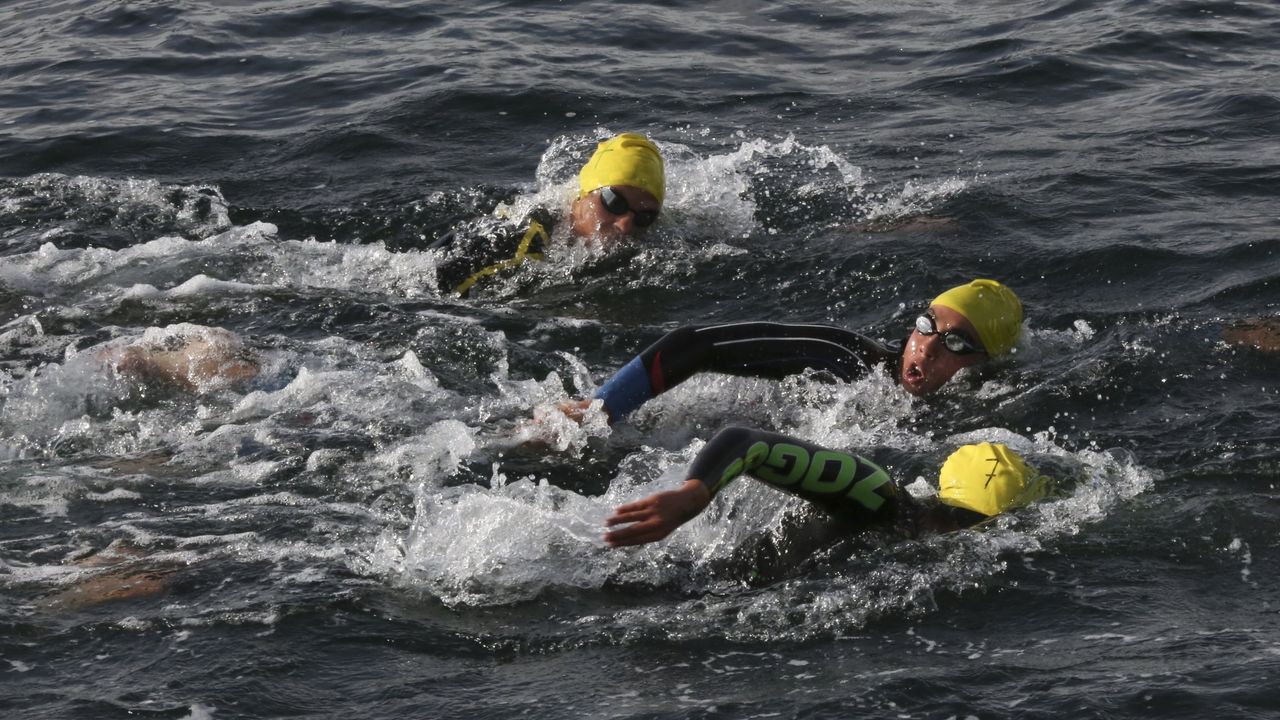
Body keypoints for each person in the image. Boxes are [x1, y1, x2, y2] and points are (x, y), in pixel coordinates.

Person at [562, 278, 1023, 423]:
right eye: (927, 325)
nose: (927, 348)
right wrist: (600, 411)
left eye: (956, 342)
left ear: (984, 364)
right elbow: (694, 343)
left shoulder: (984, 412)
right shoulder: (846, 360)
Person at [603, 426, 1055, 548]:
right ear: (942, 502)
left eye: (981, 528)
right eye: (964, 519)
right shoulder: (875, 495)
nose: (964, 536)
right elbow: (747, 440)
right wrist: (695, 493)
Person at [429, 132, 666, 297]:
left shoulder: (655, 246)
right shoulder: (515, 242)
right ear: (584, 193)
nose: (625, 225)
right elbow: (428, 291)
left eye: (645, 216)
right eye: (615, 202)